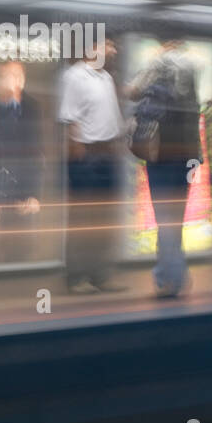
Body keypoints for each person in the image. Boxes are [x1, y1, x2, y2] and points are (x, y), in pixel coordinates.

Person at [57, 38, 128, 294]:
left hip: (108, 155)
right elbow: (69, 118)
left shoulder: (107, 78)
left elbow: (112, 118)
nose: (113, 50)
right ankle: (76, 278)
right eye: (108, 45)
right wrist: (77, 151)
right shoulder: (75, 76)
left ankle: (100, 276)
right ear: (91, 48)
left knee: (104, 219)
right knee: (83, 220)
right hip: (87, 156)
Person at [128, 44, 198, 298]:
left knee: (165, 219)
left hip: (162, 156)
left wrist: (154, 62)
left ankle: (173, 276)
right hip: (188, 156)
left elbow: (131, 91)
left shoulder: (159, 75)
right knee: (173, 220)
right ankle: (167, 275)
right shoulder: (189, 76)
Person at [0, 60, 43, 263]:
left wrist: (34, 193)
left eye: (14, 75)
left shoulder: (31, 108)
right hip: (5, 185)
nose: (8, 81)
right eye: (4, 76)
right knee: (5, 240)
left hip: (25, 183)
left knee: (24, 241)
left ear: (22, 79)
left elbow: (36, 151)